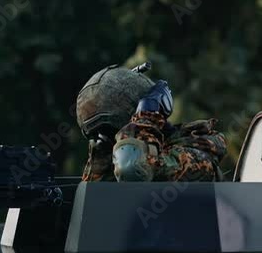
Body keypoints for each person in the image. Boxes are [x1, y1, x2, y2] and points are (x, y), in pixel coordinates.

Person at [75, 63, 226, 182]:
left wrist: (146, 117)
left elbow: (133, 170)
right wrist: (101, 152)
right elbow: (94, 200)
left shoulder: (196, 151)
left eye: (111, 132)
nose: (109, 140)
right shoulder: (119, 163)